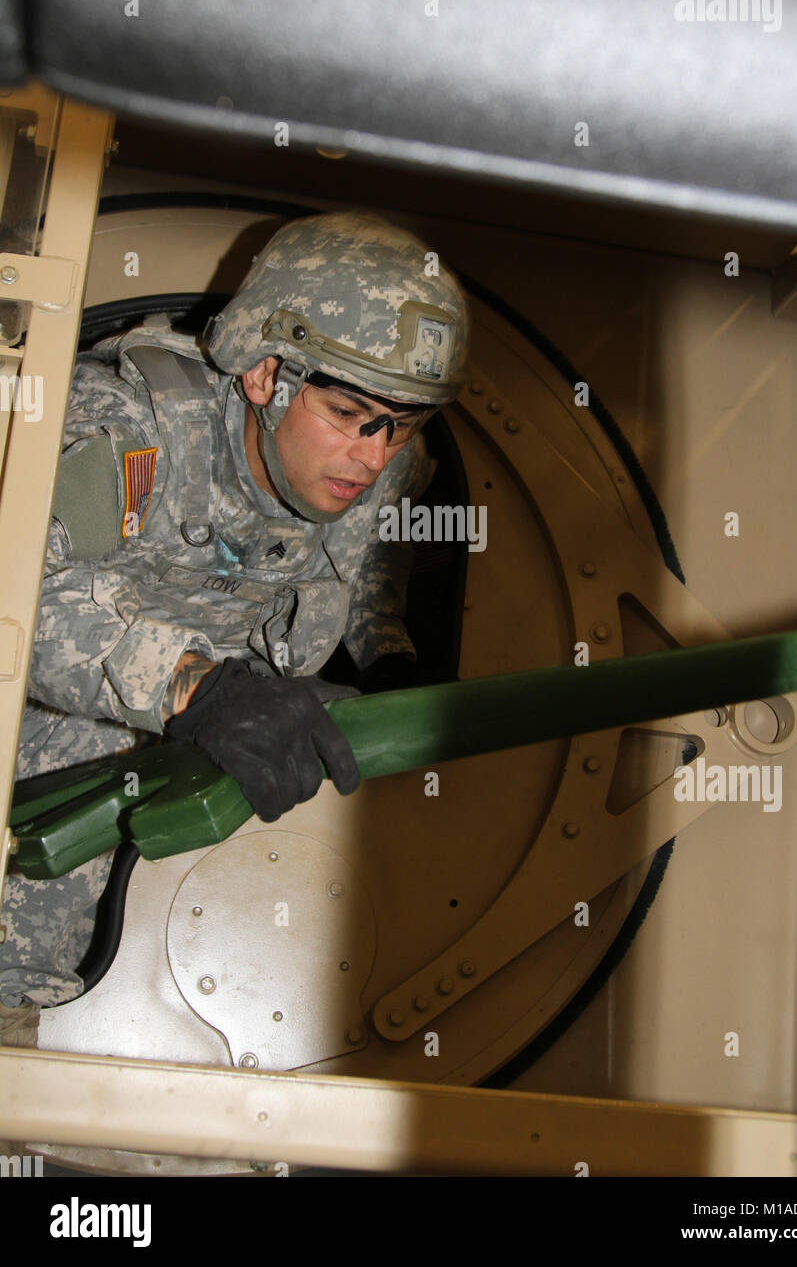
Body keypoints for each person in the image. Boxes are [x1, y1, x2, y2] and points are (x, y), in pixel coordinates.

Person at [0, 209, 470, 1016]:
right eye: (350, 416)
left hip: (206, 731)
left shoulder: (385, 467)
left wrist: (389, 661)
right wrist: (196, 690)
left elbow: (362, 576)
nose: (375, 454)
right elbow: (23, 596)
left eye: (405, 422)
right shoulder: (131, 431)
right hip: (54, 716)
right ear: (264, 375)